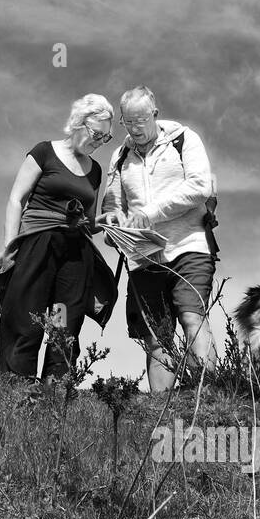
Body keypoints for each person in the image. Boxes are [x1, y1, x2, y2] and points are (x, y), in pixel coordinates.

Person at [97, 86, 218, 394]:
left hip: (188, 246)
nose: (135, 128)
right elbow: (112, 205)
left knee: (192, 317)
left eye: (141, 120)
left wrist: (150, 213)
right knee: (156, 335)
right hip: (145, 256)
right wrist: (113, 226)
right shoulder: (120, 156)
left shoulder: (184, 139)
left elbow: (200, 187)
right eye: (128, 122)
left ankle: (209, 397)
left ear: (155, 114)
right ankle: (159, 407)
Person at [0, 94, 118, 380]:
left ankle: (57, 385)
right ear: (78, 122)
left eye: (106, 137)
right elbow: (16, 199)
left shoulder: (95, 171)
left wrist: (105, 223)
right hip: (37, 244)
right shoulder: (44, 152)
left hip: (75, 254)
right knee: (28, 316)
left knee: (65, 319)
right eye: (96, 134)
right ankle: (16, 384)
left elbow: (87, 221)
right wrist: (10, 246)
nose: (100, 142)